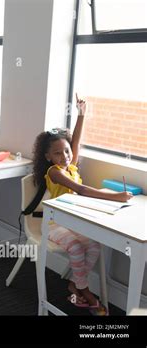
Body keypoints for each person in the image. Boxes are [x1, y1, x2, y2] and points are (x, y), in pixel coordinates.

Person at [32, 94, 132, 315]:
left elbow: (74, 141)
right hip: (54, 223)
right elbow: (83, 190)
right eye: (57, 153)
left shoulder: (71, 166)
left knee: (95, 245)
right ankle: (84, 290)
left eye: (66, 151)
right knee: (77, 248)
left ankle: (75, 284)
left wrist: (81, 114)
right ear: (48, 156)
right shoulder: (54, 172)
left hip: (73, 221)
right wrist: (117, 197)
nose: (65, 156)